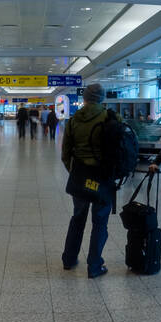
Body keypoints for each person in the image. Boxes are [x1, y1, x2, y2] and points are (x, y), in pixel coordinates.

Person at [60, 85, 128, 278]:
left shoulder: (73, 121)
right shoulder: (111, 118)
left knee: (77, 218)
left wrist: (74, 171)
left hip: (80, 176)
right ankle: (94, 265)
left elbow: (65, 154)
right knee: (100, 222)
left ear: (86, 98)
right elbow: (121, 149)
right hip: (103, 177)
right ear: (102, 98)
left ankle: (69, 259)